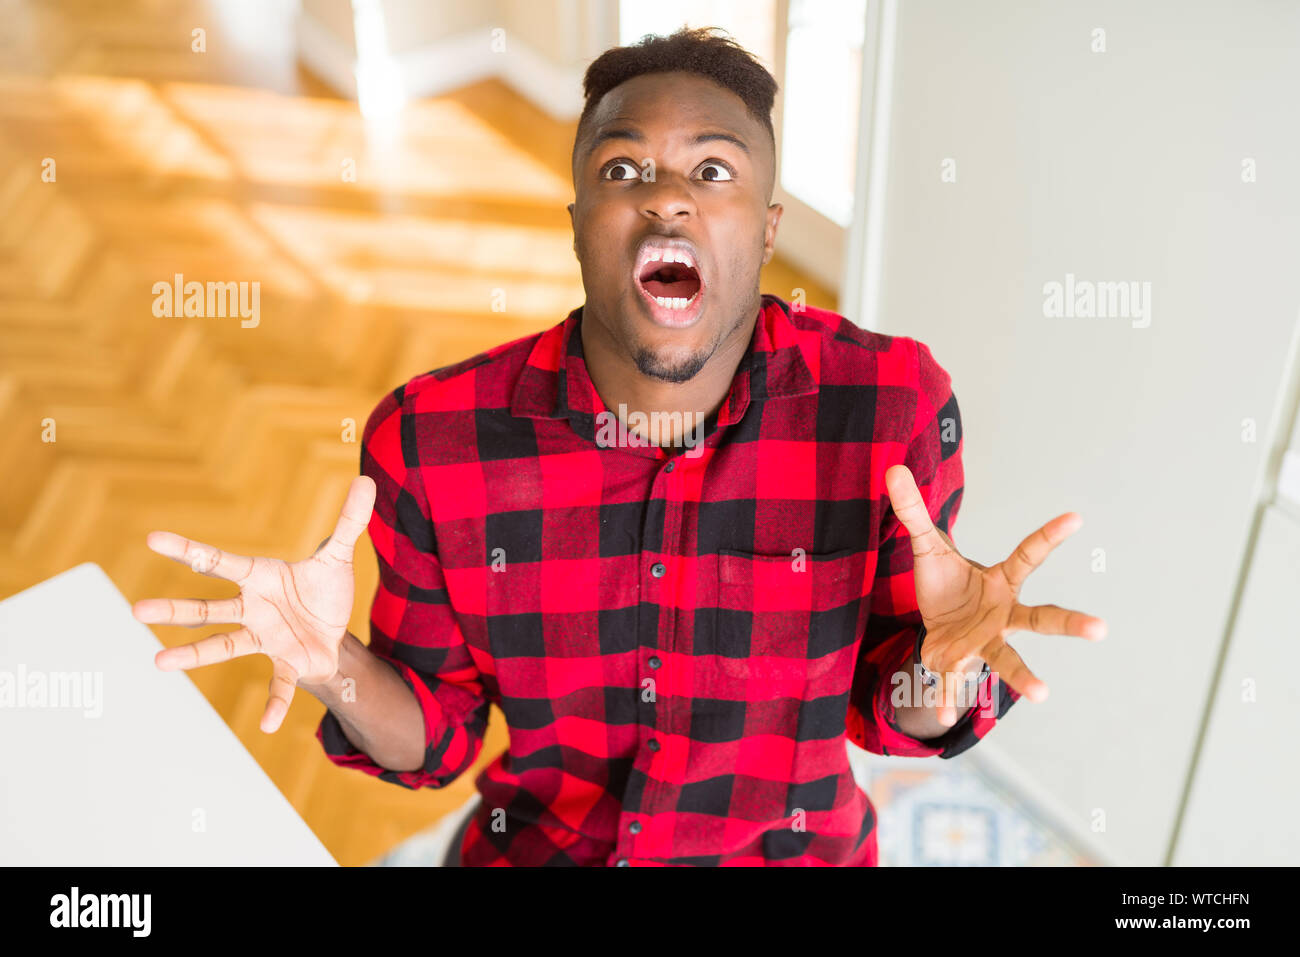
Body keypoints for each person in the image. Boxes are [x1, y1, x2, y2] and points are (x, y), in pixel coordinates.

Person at [131, 26, 1106, 866]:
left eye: (712, 169)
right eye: (621, 167)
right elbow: (432, 740)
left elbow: (891, 707)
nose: (666, 197)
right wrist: (327, 661)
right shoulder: (433, 442)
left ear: (767, 232)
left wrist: (942, 669)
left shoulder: (887, 409)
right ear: (579, 225)